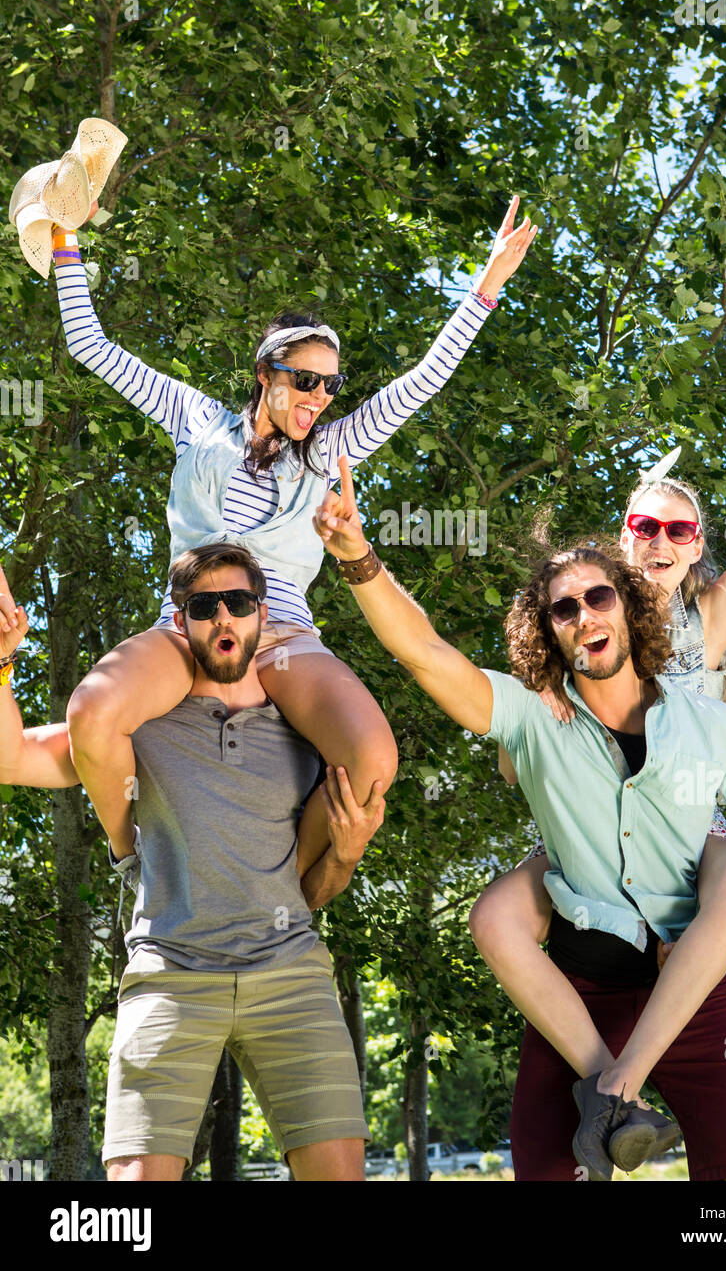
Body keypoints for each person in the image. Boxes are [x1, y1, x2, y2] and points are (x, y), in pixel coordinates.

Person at [310, 459, 726, 1180]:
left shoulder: (709, 727)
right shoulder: (530, 717)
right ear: (547, 632)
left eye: (598, 596)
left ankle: (613, 1094)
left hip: (696, 988)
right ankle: (611, 1088)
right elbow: (422, 653)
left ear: (630, 605)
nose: (583, 615)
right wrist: (358, 557)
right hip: (579, 992)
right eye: (562, 608)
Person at [44, 187, 537, 864]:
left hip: (281, 633)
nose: (319, 398)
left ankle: (293, 888)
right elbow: (89, 343)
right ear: (264, 373)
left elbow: (420, 383)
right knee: (90, 715)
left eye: (331, 386)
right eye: (304, 380)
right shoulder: (195, 418)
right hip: (187, 624)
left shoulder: (331, 447)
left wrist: (485, 288)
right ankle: (133, 855)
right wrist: (64, 237)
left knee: (370, 763)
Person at [473, 320, 726, 1100]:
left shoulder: (708, 622)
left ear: (697, 547)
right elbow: (510, 742)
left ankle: (657, 1027)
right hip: (591, 833)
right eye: (643, 525)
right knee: (497, 914)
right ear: (623, 543)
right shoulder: (577, 627)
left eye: (679, 528)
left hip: (689, 828)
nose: (660, 538)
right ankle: (605, 1083)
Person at [0, 545, 385, 1181]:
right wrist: (4, 659)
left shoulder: (307, 730)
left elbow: (313, 890)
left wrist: (345, 855)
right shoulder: (137, 725)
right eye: (205, 607)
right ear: (179, 623)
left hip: (288, 969)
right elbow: (11, 758)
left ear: (263, 616)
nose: (224, 618)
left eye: (239, 603)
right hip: (171, 971)